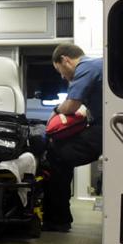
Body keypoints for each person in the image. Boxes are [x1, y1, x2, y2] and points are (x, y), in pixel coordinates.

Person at [43, 43, 104, 232]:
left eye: (59, 70)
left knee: (54, 156)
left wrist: (55, 111)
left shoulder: (85, 68)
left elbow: (71, 106)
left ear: (65, 60)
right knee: (61, 154)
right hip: (106, 128)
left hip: (104, 130)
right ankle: (60, 218)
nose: (62, 76)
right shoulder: (98, 65)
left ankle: (57, 220)